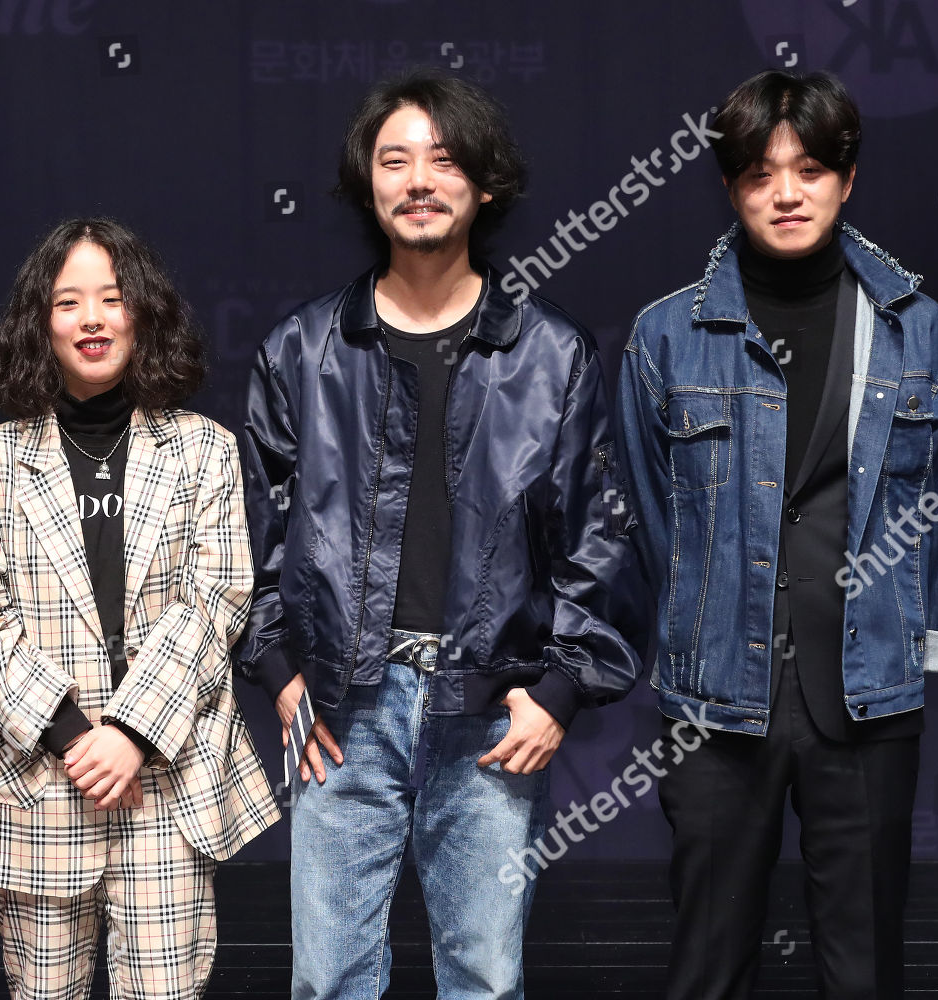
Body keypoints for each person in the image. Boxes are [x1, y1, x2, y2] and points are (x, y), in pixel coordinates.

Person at [237, 69, 650, 998]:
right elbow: (251, 535)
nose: (419, 178)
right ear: (367, 183)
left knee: (482, 978)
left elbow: (601, 537)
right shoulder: (301, 350)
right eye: (396, 159)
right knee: (330, 980)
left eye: (445, 158)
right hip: (341, 704)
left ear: (485, 185)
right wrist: (281, 672)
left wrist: (558, 692)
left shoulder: (553, 354)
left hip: (492, 709)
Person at [617, 70, 938, 999]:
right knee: (707, 967)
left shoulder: (917, 331)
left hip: (867, 693)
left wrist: (919, 648)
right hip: (717, 697)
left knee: (863, 968)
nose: (785, 192)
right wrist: (694, 628)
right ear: (731, 186)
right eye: (760, 172)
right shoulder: (667, 336)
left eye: (810, 168)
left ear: (847, 180)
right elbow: (652, 520)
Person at [0, 217, 279, 999]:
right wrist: (72, 735)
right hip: (39, 781)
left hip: (167, 775)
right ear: (41, 324)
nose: (92, 319)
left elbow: (217, 598)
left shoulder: (204, 449)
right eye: (69, 303)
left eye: (113, 298)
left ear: (143, 314)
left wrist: (128, 732)